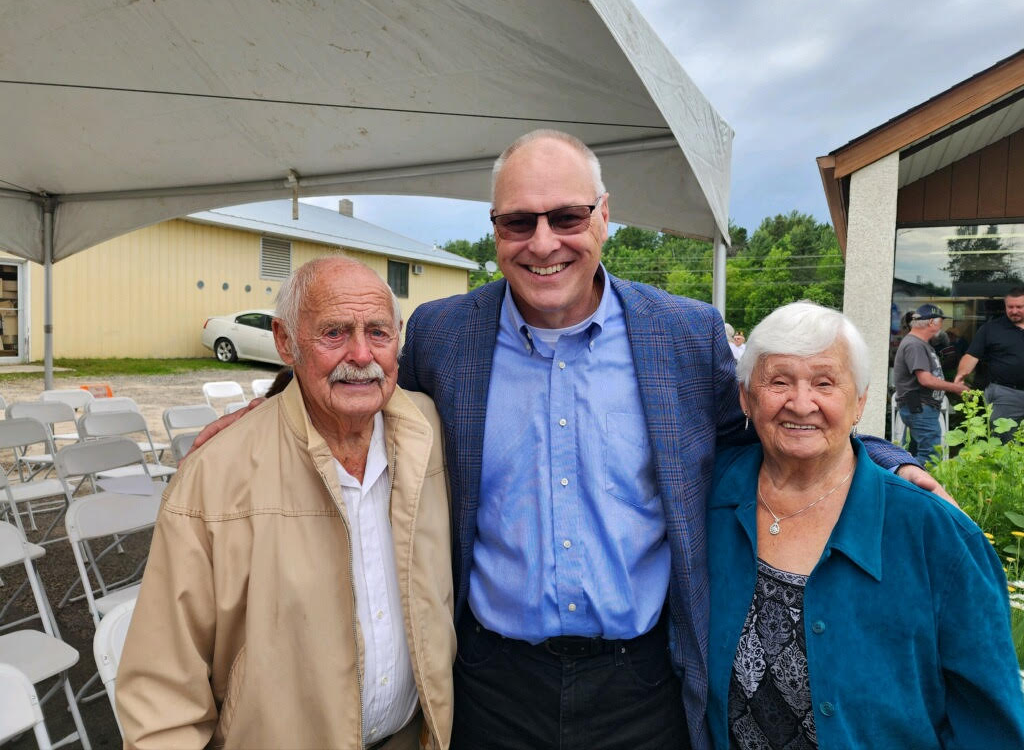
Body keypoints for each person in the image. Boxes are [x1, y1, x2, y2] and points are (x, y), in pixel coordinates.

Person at [193, 130, 944, 750]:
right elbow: (357, 386)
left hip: (641, 685)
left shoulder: (680, 336)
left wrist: (883, 457)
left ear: (604, 217)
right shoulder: (445, 335)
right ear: (495, 231)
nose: (542, 243)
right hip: (489, 683)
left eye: (566, 217)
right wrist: (272, 408)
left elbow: (765, 431)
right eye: (518, 222)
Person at [117, 257, 455, 750]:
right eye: (334, 333)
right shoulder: (216, 475)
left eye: (378, 333)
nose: (361, 354)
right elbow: (162, 692)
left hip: (413, 737)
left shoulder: (431, 433)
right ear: (285, 341)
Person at [707, 301, 1024, 748]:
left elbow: (990, 723)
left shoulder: (935, 533)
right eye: (778, 381)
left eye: (824, 383)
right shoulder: (708, 497)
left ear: (860, 401)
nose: (801, 403)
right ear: (745, 397)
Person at [892, 304, 967, 465]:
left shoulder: (920, 344)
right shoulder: (914, 344)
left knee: (916, 455)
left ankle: (907, 487)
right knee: (930, 457)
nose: (942, 326)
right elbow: (925, 379)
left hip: (922, 408)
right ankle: (917, 488)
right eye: (941, 322)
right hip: (920, 407)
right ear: (932, 322)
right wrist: (956, 388)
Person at [955, 287, 1024, 438]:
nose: (1014, 311)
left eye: (1019, 307)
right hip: (1005, 394)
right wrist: (961, 376)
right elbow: (971, 356)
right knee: (1002, 443)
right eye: (1010, 307)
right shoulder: (991, 329)